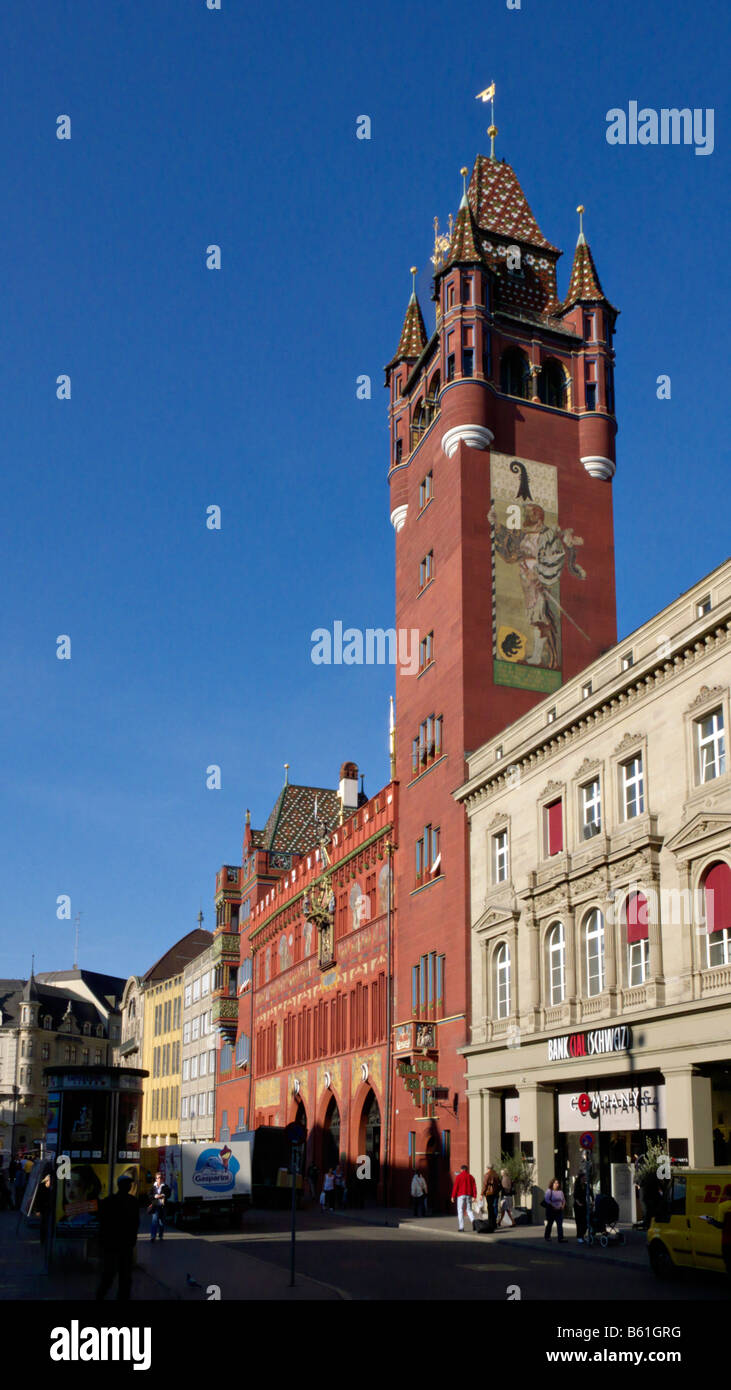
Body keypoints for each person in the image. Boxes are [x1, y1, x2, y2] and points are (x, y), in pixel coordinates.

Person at [96, 1175, 139, 1301]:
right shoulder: (133, 1202)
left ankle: (100, 1295)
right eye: (128, 1184)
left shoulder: (109, 1201)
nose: (130, 1186)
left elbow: (102, 1221)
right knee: (124, 1276)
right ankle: (121, 1297)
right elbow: (135, 1223)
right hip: (124, 1245)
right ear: (123, 1186)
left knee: (109, 1274)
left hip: (112, 1245)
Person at [451, 1164, 477, 1232]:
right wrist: (474, 1196)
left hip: (460, 1195)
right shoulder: (471, 1177)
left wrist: (453, 1196)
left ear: (461, 1170)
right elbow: (474, 1187)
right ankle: (474, 1222)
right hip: (469, 1195)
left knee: (460, 1210)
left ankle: (461, 1227)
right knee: (469, 1210)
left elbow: (455, 1187)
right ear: (467, 1170)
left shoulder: (459, 1177)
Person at [147, 1171, 170, 1241]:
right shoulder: (153, 1187)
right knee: (154, 1221)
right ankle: (153, 1236)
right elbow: (149, 1195)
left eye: (160, 1178)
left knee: (162, 1223)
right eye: (158, 1178)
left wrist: (163, 1195)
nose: (159, 1179)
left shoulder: (165, 1186)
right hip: (155, 1206)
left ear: (162, 1179)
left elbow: (169, 1194)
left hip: (163, 1206)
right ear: (156, 1179)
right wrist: (155, 1196)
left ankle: (160, 1236)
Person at [544, 1178, 567, 1242]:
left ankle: (560, 1238)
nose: (557, 1184)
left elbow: (563, 1200)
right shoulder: (549, 1191)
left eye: (558, 1183)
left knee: (560, 1224)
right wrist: (553, 1205)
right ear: (552, 1184)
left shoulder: (560, 1192)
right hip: (551, 1210)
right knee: (550, 1224)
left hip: (559, 1210)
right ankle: (547, 1236)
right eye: (555, 1183)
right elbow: (547, 1199)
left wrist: (563, 1206)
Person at [481, 1166, 500, 1231]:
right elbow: (498, 1184)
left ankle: (491, 1224)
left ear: (488, 1168)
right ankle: (494, 1223)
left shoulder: (487, 1174)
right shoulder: (496, 1174)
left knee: (490, 1208)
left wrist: (482, 1193)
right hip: (496, 1192)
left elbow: (485, 1184)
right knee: (494, 1207)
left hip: (489, 1192)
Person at [573, 1172, 588, 1243]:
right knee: (579, 1222)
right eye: (583, 1178)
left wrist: (593, 1201)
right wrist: (579, 1203)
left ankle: (583, 1235)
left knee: (585, 1221)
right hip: (578, 1206)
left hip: (584, 1205)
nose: (585, 1179)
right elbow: (575, 1196)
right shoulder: (577, 1185)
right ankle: (579, 1236)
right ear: (580, 1178)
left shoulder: (585, 1185)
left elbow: (590, 1193)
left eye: (585, 1178)